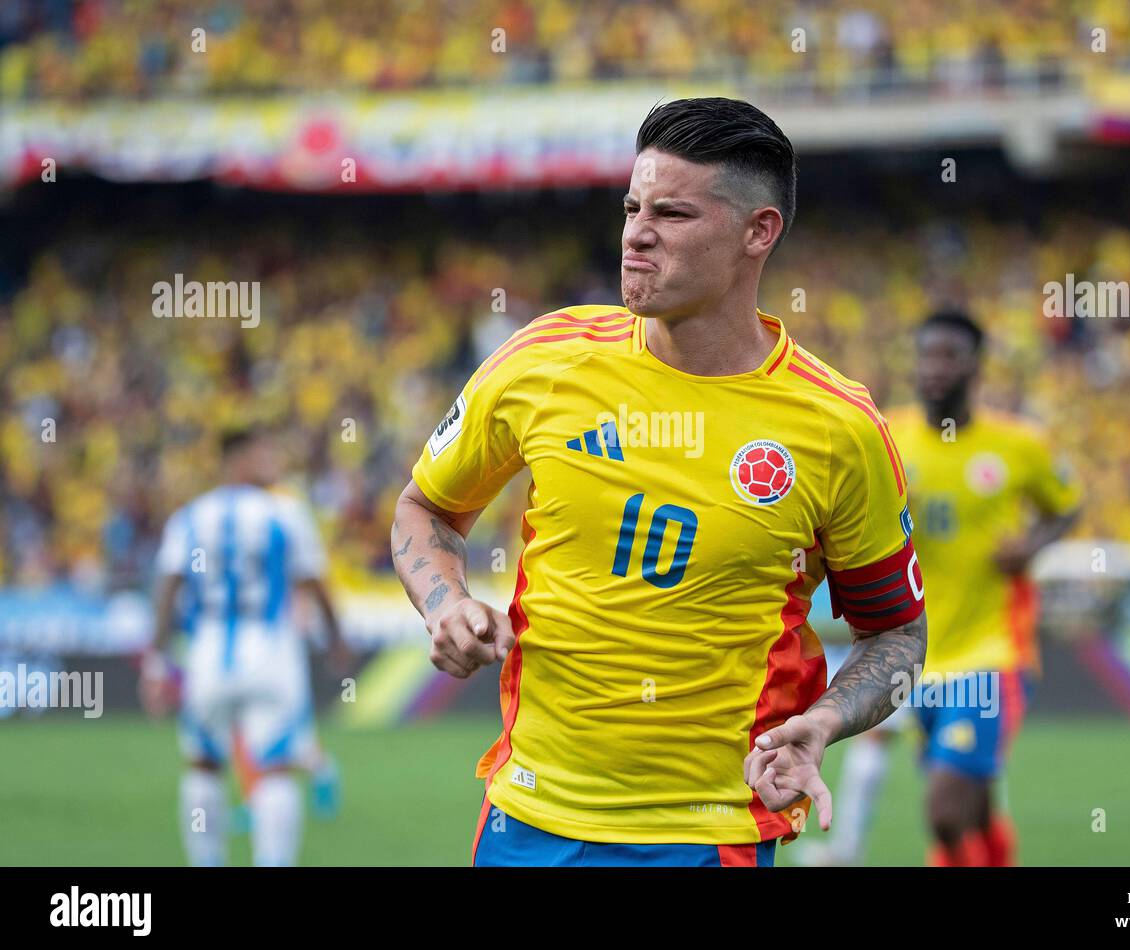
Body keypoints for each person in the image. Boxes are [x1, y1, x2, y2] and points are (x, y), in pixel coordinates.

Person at [391, 97, 927, 867]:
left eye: (673, 214)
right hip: (526, 819)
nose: (636, 233)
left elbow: (898, 632)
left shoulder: (837, 428)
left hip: (710, 836)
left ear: (758, 231)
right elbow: (425, 511)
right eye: (632, 206)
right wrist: (445, 604)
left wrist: (828, 718)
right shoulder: (544, 360)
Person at [877, 309, 1083, 866]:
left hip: (992, 652)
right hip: (917, 655)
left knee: (945, 811)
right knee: (978, 808)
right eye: (926, 356)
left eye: (949, 356)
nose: (934, 369)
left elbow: (1067, 506)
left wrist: (1032, 546)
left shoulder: (1020, 444)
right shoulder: (887, 438)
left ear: (975, 366)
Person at [140, 424, 352, 866]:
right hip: (272, 653)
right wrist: (336, 641)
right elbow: (315, 582)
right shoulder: (286, 513)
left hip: (208, 652)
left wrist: (157, 661)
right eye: (262, 453)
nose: (270, 462)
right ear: (237, 458)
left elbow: (167, 589)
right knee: (274, 768)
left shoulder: (192, 516)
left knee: (203, 763)